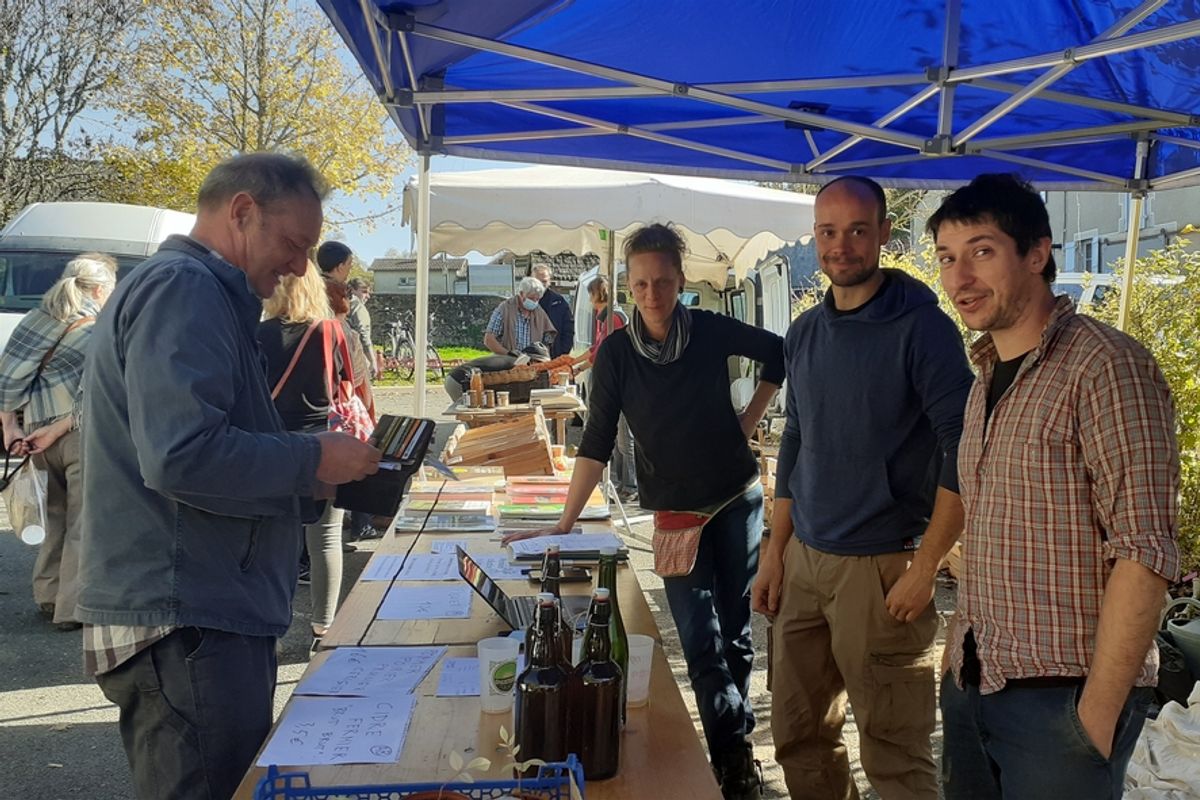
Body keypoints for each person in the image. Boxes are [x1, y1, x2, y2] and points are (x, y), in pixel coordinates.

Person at [76, 152, 381, 800]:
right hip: (188, 619)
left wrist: (310, 470)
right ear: (242, 212)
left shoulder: (196, 290)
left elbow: (201, 443)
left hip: (198, 612)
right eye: (294, 244)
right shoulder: (183, 288)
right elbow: (181, 453)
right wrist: (313, 459)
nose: (301, 266)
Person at [506, 224, 784, 799]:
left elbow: (777, 354)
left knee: (736, 638)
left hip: (736, 499)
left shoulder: (707, 329)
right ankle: (734, 764)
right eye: (641, 284)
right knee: (701, 643)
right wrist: (564, 522)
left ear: (681, 282)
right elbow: (596, 441)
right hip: (676, 517)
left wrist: (750, 418)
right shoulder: (616, 354)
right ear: (627, 287)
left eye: (663, 281)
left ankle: (736, 745)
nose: (652, 294)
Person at [930, 173, 1180, 800]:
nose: (960, 278)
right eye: (947, 258)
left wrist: (1093, 717)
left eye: (981, 252)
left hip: (1063, 702)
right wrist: (961, 645)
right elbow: (993, 525)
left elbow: (1145, 553)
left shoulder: (1107, 367)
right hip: (976, 682)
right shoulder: (983, 377)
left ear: (1037, 253)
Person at [752, 175, 973, 800]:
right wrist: (776, 550)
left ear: (883, 234)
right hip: (804, 564)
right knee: (798, 736)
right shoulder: (804, 332)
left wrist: (927, 564)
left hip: (880, 568)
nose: (841, 245)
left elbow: (965, 443)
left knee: (894, 755)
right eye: (828, 231)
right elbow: (796, 437)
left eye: (856, 230)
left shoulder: (923, 329)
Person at [0, 253, 117, 631]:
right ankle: (72, 608)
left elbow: (8, 378)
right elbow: (94, 393)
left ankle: (48, 595)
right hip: (79, 436)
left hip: (34, 436)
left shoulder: (36, 319)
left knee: (52, 517)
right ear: (100, 289)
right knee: (84, 522)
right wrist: (62, 426)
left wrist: (10, 428)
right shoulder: (99, 327)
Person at [258, 263, 352, 646]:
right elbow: (349, 383)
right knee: (326, 537)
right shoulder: (329, 331)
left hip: (271, 446)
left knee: (273, 541)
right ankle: (323, 628)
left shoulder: (257, 333)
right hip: (323, 443)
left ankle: (274, 629)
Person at [579, 275, 636, 500]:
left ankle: (630, 487)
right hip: (612, 384)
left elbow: (606, 352)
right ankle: (621, 484)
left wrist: (577, 364)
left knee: (625, 439)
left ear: (597, 294)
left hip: (622, 385)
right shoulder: (604, 319)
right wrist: (575, 364)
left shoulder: (615, 318)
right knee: (617, 439)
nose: (591, 302)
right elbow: (596, 349)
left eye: (591, 296)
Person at [317, 241, 378, 378]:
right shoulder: (336, 294)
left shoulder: (309, 289)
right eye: (349, 264)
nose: (350, 269)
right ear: (340, 266)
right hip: (332, 363)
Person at [443, 343, 551, 401]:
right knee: (475, 417)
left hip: (455, 377)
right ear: (532, 360)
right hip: (459, 379)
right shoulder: (517, 365)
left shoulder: (512, 359)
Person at [483, 275, 557, 355]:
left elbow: (549, 335)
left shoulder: (540, 312)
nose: (535, 302)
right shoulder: (505, 309)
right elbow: (489, 340)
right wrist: (508, 353)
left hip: (532, 362)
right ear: (522, 294)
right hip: (507, 361)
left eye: (537, 299)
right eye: (531, 298)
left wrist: (543, 349)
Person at [532, 263, 574, 357]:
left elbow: (569, 329)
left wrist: (563, 352)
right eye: (538, 281)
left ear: (549, 281)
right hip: (529, 356)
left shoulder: (559, 302)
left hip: (553, 355)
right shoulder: (524, 300)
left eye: (544, 281)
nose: (541, 285)